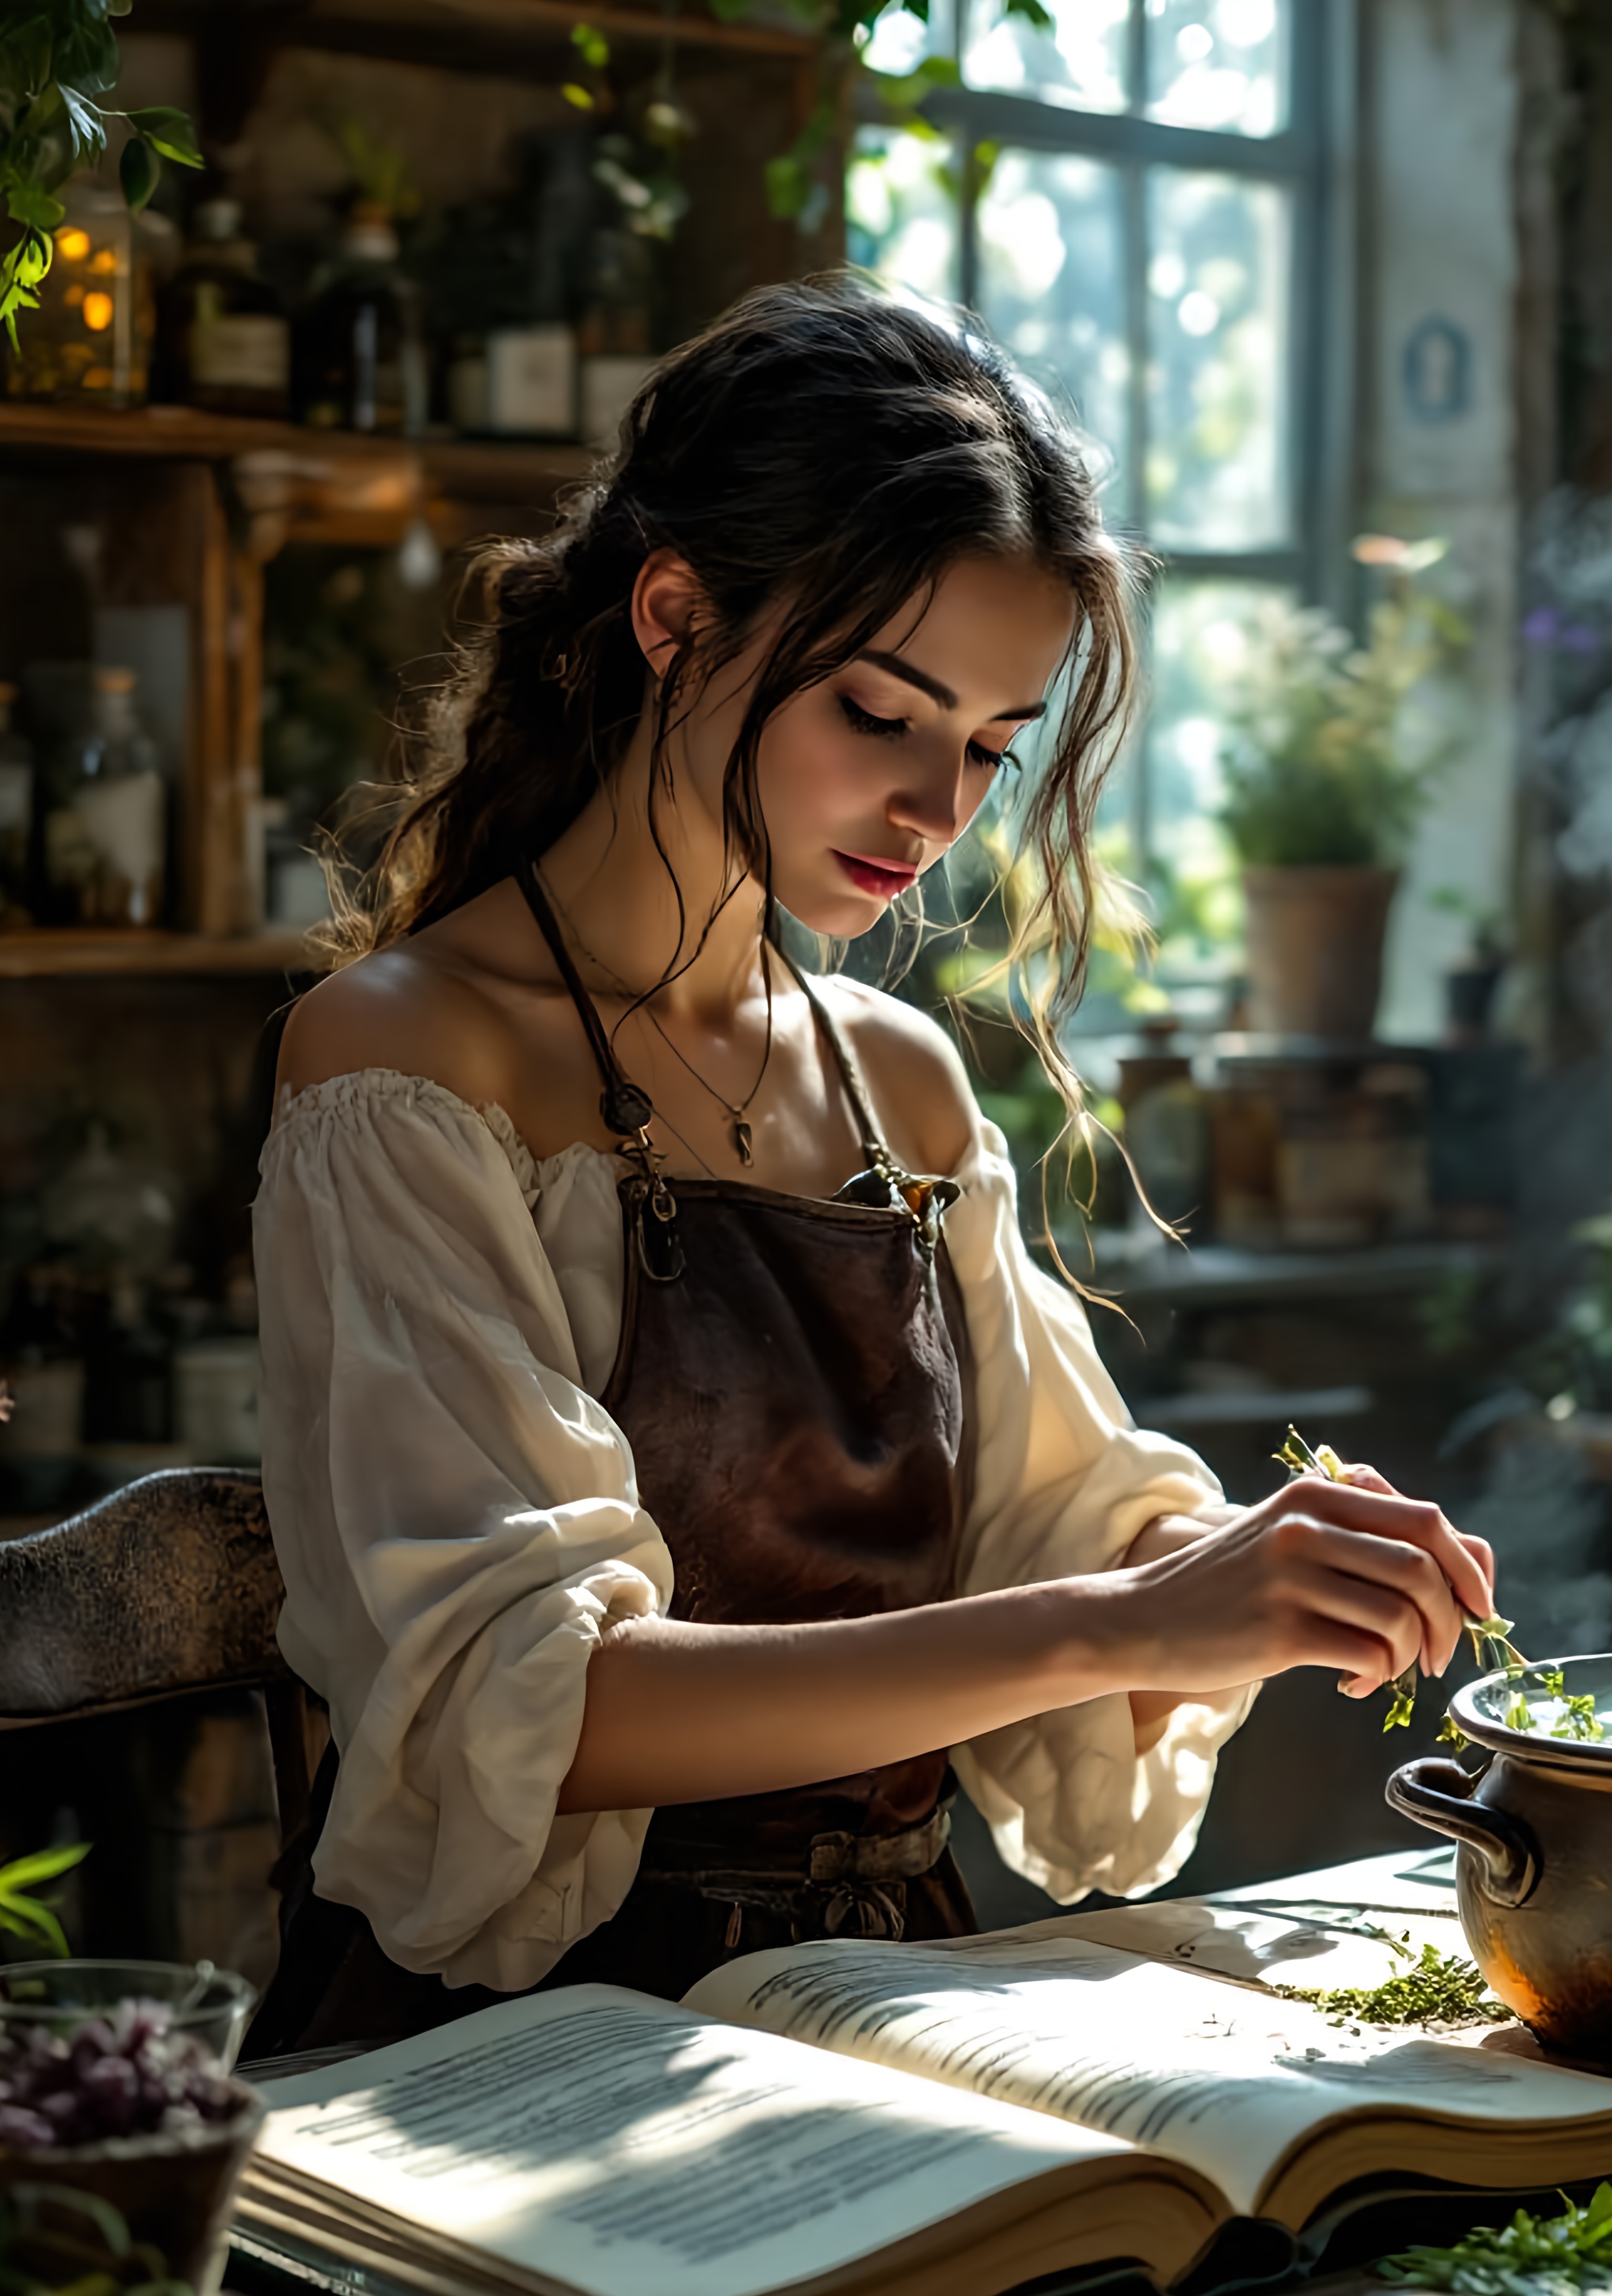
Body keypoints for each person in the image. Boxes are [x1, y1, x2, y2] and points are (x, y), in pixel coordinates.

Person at [245, 278, 1497, 2055]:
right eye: (880, 711)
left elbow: (1080, 1532)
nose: (939, 812)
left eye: (991, 746)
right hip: (531, 2046)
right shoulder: (407, 1065)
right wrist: (1124, 1615)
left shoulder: (897, 1084)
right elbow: (542, 1706)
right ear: (674, 614)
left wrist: (1262, 1579)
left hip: (887, 2013)